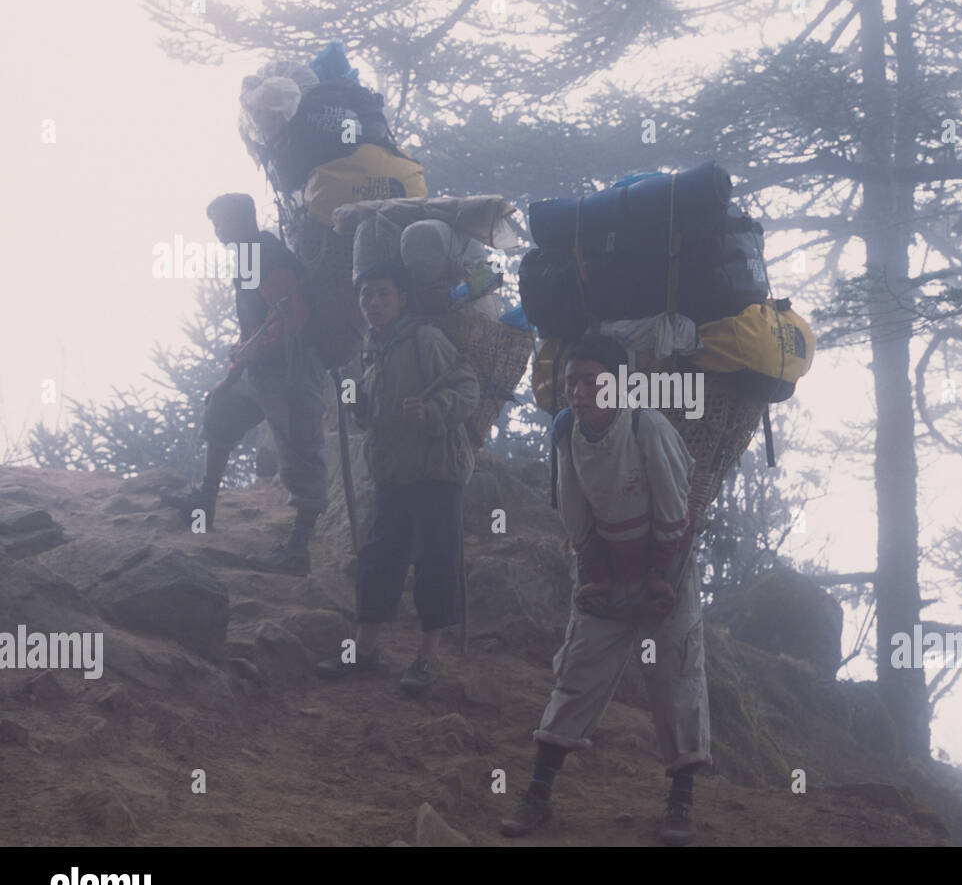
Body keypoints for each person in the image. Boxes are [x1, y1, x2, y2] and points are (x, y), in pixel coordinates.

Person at [501, 334, 711, 846]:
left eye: (591, 381)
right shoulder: (566, 430)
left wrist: (660, 574)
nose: (578, 392)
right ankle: (537, 793)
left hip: (667, 569)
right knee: (578, 672)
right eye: (571, 382)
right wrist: (593, 572)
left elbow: (673, 509)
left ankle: (681, 801)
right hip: (606, 570)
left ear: (620, 384)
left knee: (675, 675)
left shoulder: (646, 426)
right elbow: (574, 510)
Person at [315, 261, 478, 696]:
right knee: (377, 558)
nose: (373, 302)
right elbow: (375, 410)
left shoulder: (426, 339)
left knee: (435, 561)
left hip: (437, 470)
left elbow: (467, 388)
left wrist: (433, 411)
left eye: (383, 293)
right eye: (366, 294)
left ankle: (428, 657)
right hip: (393, 472)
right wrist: (359, 406)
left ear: (402, 298)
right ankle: (363, 650)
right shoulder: (372, 346)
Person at [162, 193, 328, 574]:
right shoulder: (248, 256)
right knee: (221, 414)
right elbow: (259, 322)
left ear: (245, 218)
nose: (218, 230)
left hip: (290, 373)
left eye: (224, 221)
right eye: (214, 223)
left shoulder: (266, 254)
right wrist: (232, 374)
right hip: (260, 371)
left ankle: (298, 548)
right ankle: (205, 502)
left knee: (301, 454)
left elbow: (292, 317)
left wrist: (254, 350)